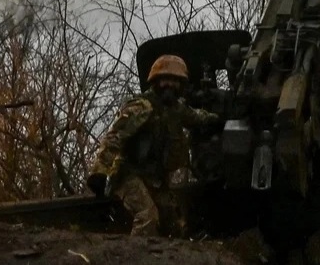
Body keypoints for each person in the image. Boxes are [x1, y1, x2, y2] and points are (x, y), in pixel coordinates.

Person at [86, 54, 220, 237]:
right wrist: (99, 172)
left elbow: (196, 117)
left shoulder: (176, 109)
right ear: (156, 81)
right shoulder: (141, 108)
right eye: (166, 79)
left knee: (175, 224)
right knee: (147, 217)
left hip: (154, 179)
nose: (170, 85)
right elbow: (114, 138)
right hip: (128, 175)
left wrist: (218, 118)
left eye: (176, 81)